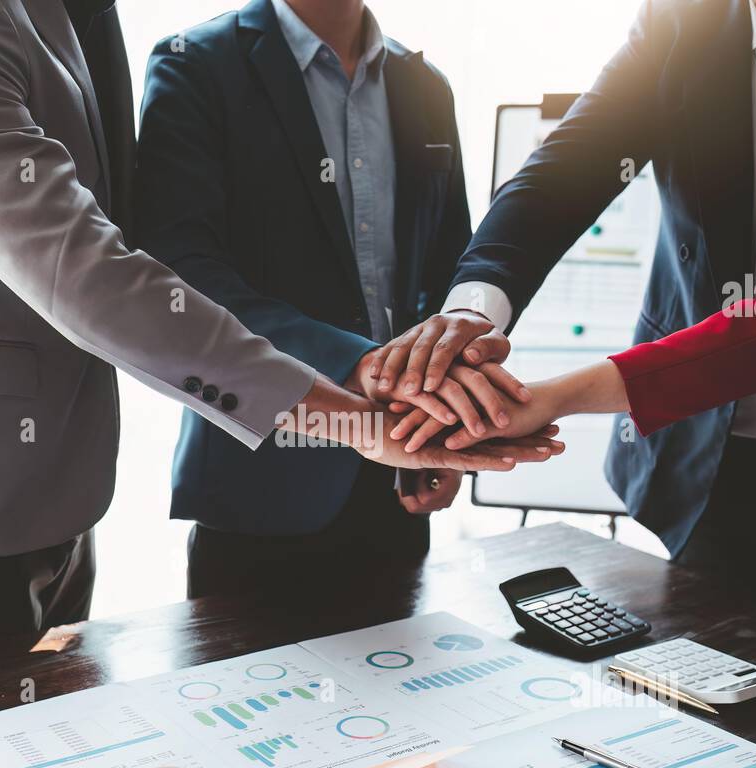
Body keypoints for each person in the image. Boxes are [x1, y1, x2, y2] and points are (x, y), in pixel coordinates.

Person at [0, 0, 557, 660]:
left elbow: (39, 220)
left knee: (61, 762)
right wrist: (357, 411)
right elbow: (96, 273)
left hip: (64, 472)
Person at [374, 0, 756, 626]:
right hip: (707, 470)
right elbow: (564, 177)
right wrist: (473, 315)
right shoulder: (678, 21)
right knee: (706, 697)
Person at [134, 0, 527, 597]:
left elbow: (445, 273)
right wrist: (359, 363)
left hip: (403, 470)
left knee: (406, 686)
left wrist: (445, 427)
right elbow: (184, 277)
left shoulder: (425, 87)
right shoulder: (196, 65)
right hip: (260, 481)